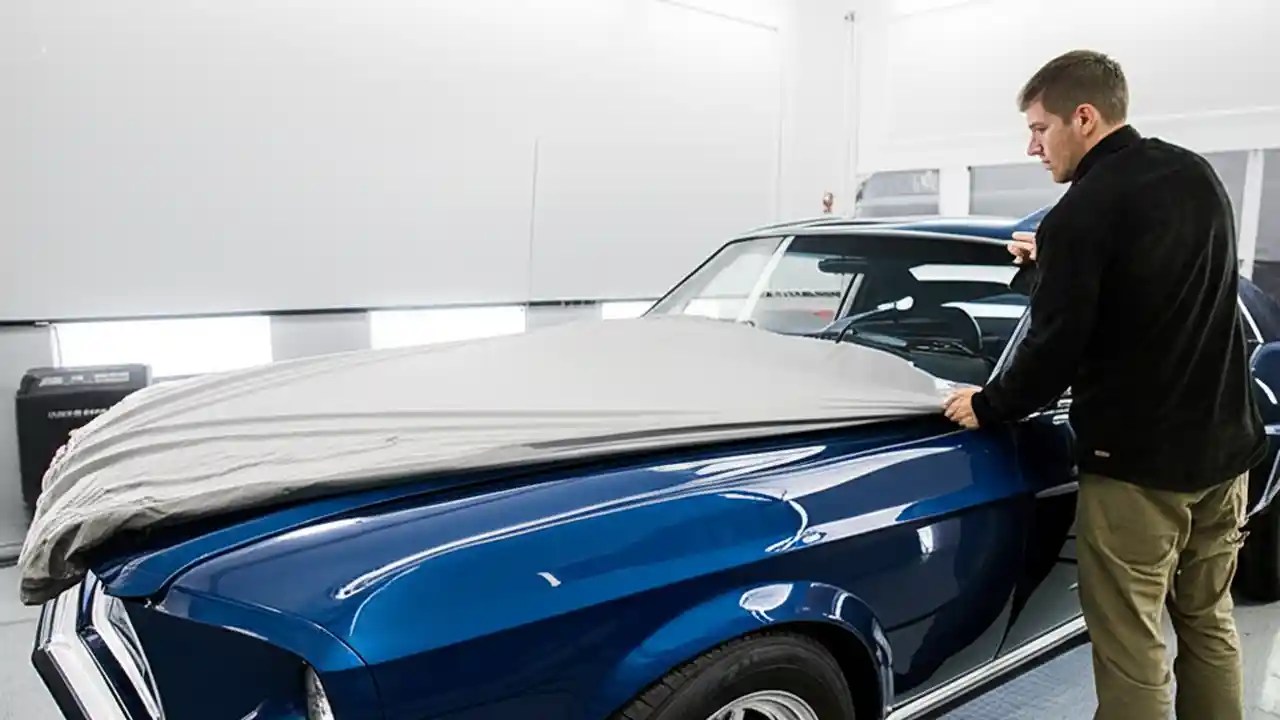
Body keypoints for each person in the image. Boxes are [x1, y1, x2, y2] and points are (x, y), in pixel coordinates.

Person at [942, 49, 1267, 720]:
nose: (1032, 146)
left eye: (1039, 128)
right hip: (1224, 454)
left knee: (1132, 643)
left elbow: (1054, 348)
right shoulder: (1194, 175)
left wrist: (989, 403)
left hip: (1139, 468)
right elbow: (1160, 280)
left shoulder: (1081, 213)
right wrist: (1057, 259)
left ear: (1083, 118)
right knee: (1209, 623)